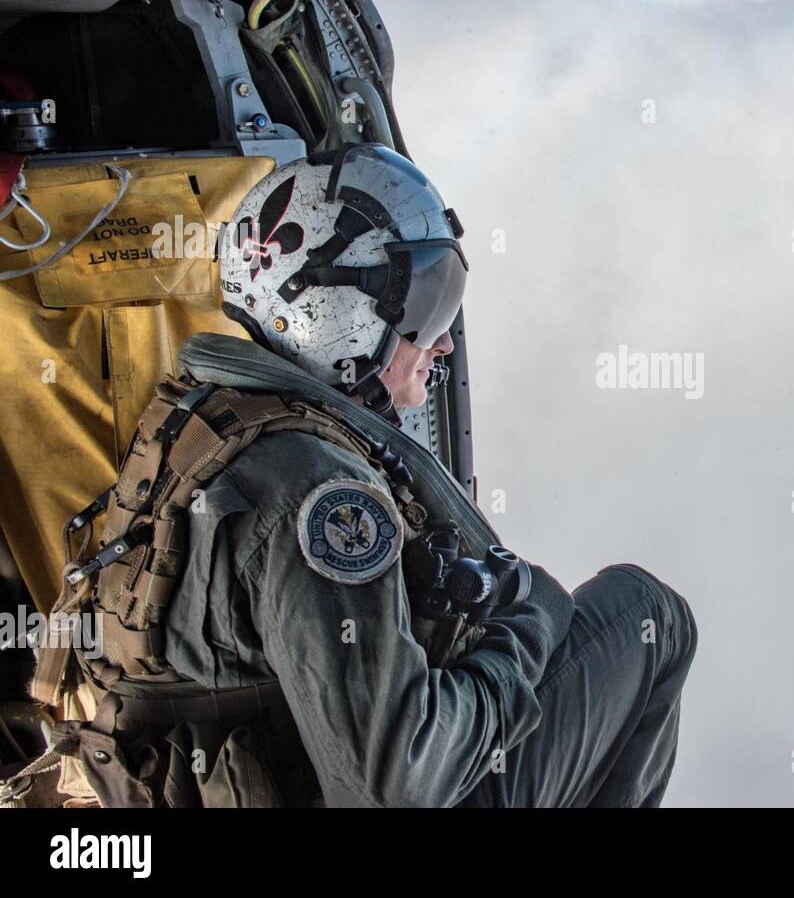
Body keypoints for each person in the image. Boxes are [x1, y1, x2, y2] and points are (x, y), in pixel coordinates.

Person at [20, 145, 697, 808]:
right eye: (428, 303)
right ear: (340, 314)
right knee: (650, 616)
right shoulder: (319, 492)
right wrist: (527, 626)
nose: (444, 341)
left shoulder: (203, 421)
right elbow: (396, 783)